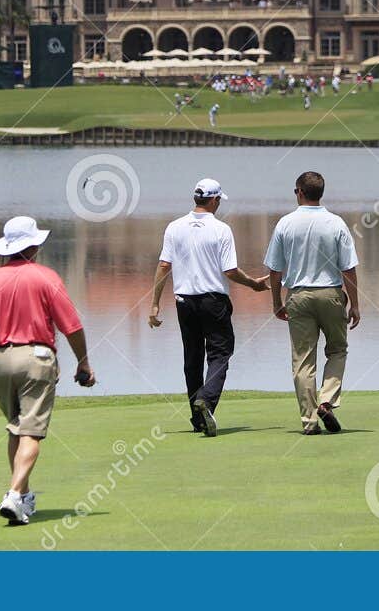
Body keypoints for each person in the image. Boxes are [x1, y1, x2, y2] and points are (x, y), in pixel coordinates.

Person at [0, 215, 95, 526]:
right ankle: (14, 494)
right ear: (34, 247)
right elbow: (72, 327)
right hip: (36, 359)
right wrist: (83, 361)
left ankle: (23, 498)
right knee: (30, 432)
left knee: (16, 427)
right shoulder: (46, 278)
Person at [148, 177, 269, 436]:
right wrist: (253, 284)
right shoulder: (221, 229)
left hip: (184, 302)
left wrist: (155, 304)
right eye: (218, 200)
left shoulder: (174, 227)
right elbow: (231, 271)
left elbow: (164, 266)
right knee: (220, 353)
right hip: (213, 302)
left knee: (192, 359)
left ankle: (198, 419)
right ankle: (206, 399)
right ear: (214, 200)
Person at [264, 170, 361, 434]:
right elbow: (348, 269)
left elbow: (275, 270)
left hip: (298, 296)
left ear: (300, 192)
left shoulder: (285, 223)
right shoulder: (336, 223)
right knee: (337, 350)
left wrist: (276, 302)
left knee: (303, 359)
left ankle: (309, 421)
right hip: (331, 294)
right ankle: (326, 400)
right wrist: (355, 304)